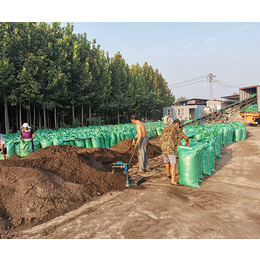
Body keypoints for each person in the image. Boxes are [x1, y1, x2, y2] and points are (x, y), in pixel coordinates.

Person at [160, 119, 189, 186]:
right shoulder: (176, 129)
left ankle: (168, 174)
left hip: (163, 147)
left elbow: (161, 138)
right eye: (178, 125)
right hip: (170, 148)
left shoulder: (165, 127)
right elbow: (186, 137)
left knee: (166, 161)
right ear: (177, 123)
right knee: (173, 164)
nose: (178, 126)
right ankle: (173, 181)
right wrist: (187, 141)